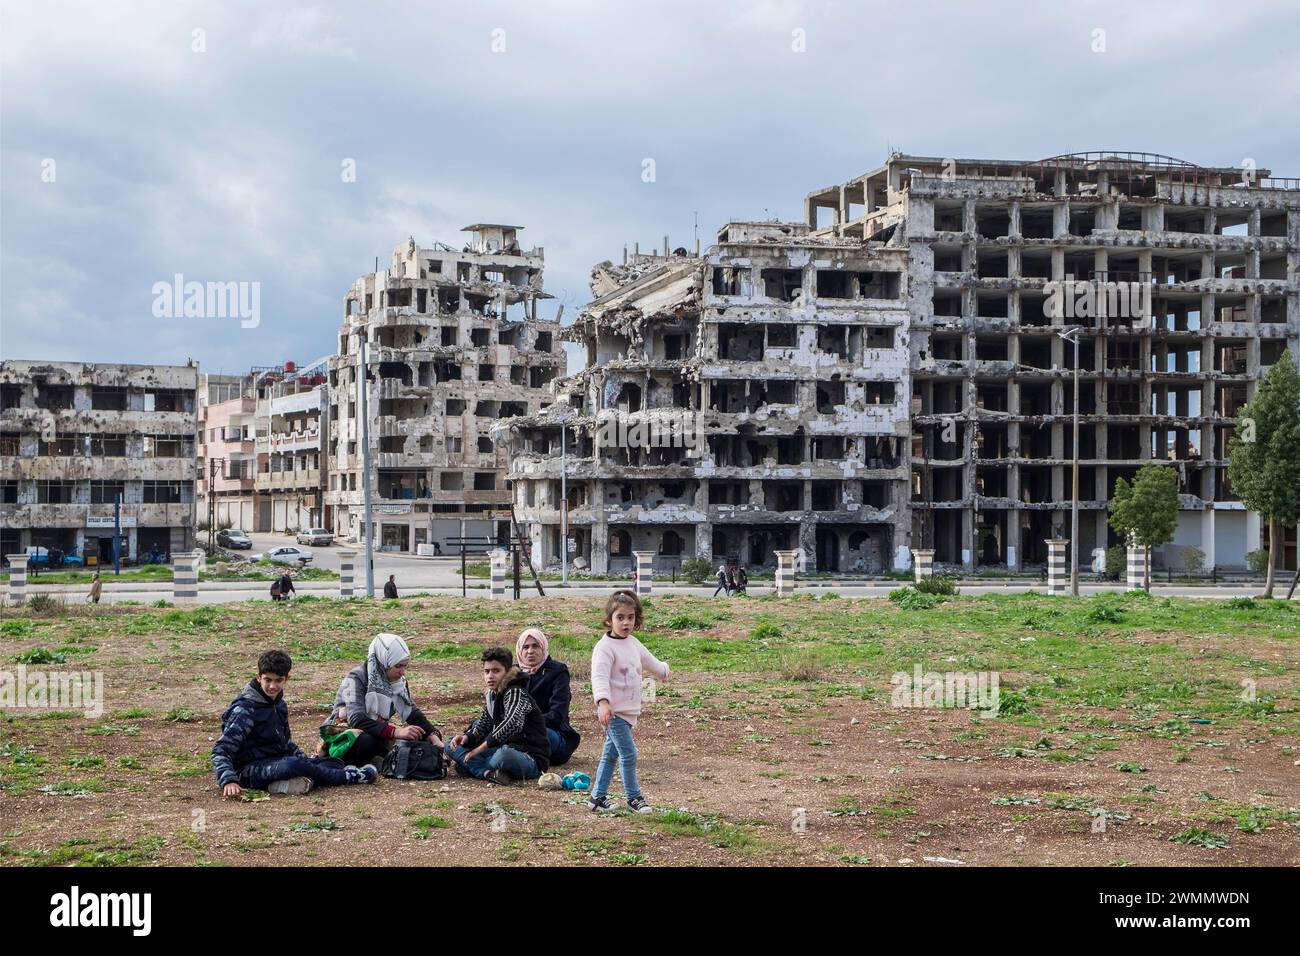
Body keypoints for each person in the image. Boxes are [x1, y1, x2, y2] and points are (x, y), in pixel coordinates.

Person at [212, 649, 377, 798]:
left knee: (334, 762)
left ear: (286, 679)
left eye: (278, 680)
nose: (272, 686)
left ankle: (291, 783)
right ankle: (349, 777)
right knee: (295, 765)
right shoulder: (245, 709)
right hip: (247, 770)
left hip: (278, 762)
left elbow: (286, 743)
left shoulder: (279, 705)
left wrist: (306, 762)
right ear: (258, 677)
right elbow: (221, 751)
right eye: (267, 680)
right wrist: (228, 780)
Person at [588, 589, 669, 814]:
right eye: (620, 617)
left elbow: (648, 661)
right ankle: (634, 798)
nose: (626, 623)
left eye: (630, 617)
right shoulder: (604, 648)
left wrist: (663, 671)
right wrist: (603, 702)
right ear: (609, 620)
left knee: (611, 753)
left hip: (629, 711)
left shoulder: (633, 643)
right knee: (629, 753)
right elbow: (600, 677)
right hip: (613, 713)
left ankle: (597, 797)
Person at [328, 633, 442, 767]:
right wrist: (396, 732)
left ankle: (383, 759)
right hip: (346, 734)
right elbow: (356, 719)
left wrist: (432, 735)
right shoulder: (356, 678)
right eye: (398, 666)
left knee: (421, 735)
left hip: (378, 731)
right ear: (384, 662)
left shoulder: (397, 682)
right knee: (366, 742)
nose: (402, 672)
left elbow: (411, 712)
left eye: (405, 666)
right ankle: (377, 760)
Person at [443, 647, 550, 785]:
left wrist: (479, 749)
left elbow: (512, 723)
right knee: (450, 744)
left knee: (503, 756)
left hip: (528, 756)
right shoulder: (492, 694)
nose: (490, 676)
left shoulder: (515, 692)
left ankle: (472, 768)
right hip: (499, 749)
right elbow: (483, 724)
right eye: (487, 671)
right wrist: (467, 738)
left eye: (496, 671)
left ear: (507, 672)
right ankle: (488, 773)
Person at [516, 627, 580, 766]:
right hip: (516, 732)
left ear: (543, 647)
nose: (530, 651)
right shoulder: (513, 674)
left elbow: (557, 714)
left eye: (535, 646)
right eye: (525, 647)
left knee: (538, 734)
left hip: (552, 735)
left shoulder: (557, 671)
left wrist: (523, 723)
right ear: (519, 651)